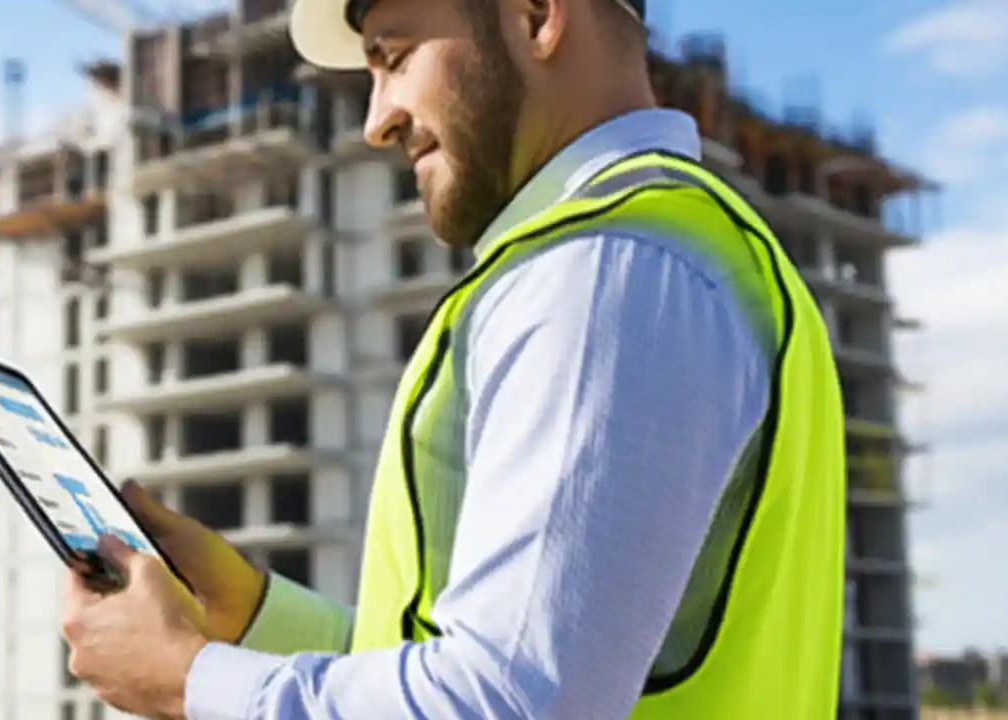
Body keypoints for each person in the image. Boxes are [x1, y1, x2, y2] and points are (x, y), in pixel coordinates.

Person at [59, 0, 848, 716]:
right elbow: (506, 671)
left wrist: (189, 680)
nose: (377, 121)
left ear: (537, 15)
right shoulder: (676, 253)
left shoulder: (604, 270)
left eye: (394, 56)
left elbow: (506, 703)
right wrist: (258, 619)